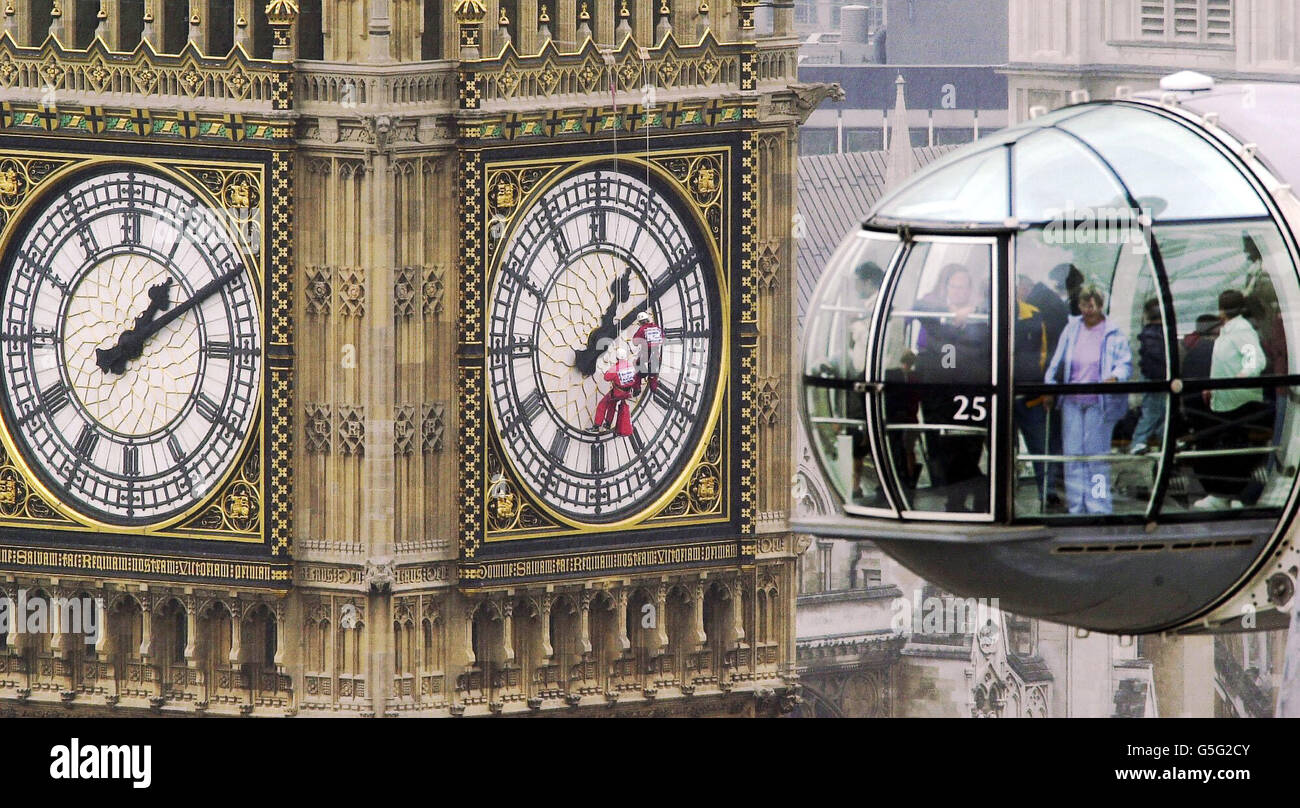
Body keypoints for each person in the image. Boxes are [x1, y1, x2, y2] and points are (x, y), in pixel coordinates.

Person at [1044, 285, 1132, 515]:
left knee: (1096, 459)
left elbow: (1125, 363)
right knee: (1073, 457)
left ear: (1100, 305)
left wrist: (1115, 376)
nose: (1087, 310)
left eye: (1092, 306)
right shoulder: (1071, 329)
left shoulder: (1114, 332)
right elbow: (1057, 360)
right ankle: (1077, 507)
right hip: (1071, 402)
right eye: (1084, 305)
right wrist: (1049, 385)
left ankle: (1099, 506)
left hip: (1099, 403)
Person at [915, 263, 991, 512]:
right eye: (954, 286)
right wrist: (951, 315)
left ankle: (964, 500)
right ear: (946, 287)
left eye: (963, 287)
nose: (958, 291)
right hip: (940, 394)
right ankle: (978, 490)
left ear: (970, 290)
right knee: (943, 450)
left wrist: (971, 313)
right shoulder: (935, 312)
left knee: (969, 448)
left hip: (971, 394)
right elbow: (919, 309)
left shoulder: (980, 318)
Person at [1193, 289, 1267, 510]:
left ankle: (1236, 495)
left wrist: (1239, 379)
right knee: (1220, 447)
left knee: (1234, 449)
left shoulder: (1242, 331)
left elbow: (1255, 361)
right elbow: (1224, 362)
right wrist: (1211, 386)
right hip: (1224, 399)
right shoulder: (1228, 331)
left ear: (1221, 310)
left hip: (1239, 401)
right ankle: (1222, 494)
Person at [846, 261, 885, 501]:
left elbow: (872, 341)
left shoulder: (878, 309)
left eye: (859, 283)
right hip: (866, 376)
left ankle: (862, 485)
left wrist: (855, 324)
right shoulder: (868, 308)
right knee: (865, 433)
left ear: (869, 282)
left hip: (870, 378)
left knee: (866, 433)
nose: (856, 288)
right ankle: (858, 484)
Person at [1013, 274, 1050, 504]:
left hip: (1031, 394)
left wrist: (1047, 388)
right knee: (1002, 449)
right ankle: (1002, 494)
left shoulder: (1034, 315)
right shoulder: (987, 313)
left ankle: (1047, 493)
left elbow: (1045, 354)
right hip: (1001, 397)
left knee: (1039, 447)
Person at [1129, 298, 1167, 455]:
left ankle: (1164, 437)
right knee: (1153, 411)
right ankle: (1139, 441)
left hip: (1153, 378)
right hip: (1156, 379)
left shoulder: (1148, 333)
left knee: (1160, 411)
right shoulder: (1158, 334)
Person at [591, 346, 637, 436]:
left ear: (617, 357)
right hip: (627, 393)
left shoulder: (616, 368)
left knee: (602, 404)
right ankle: (608, 423)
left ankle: (596, 426)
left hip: (618, 392)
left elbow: (606, 377)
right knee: (612, 403)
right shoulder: (631, 366)